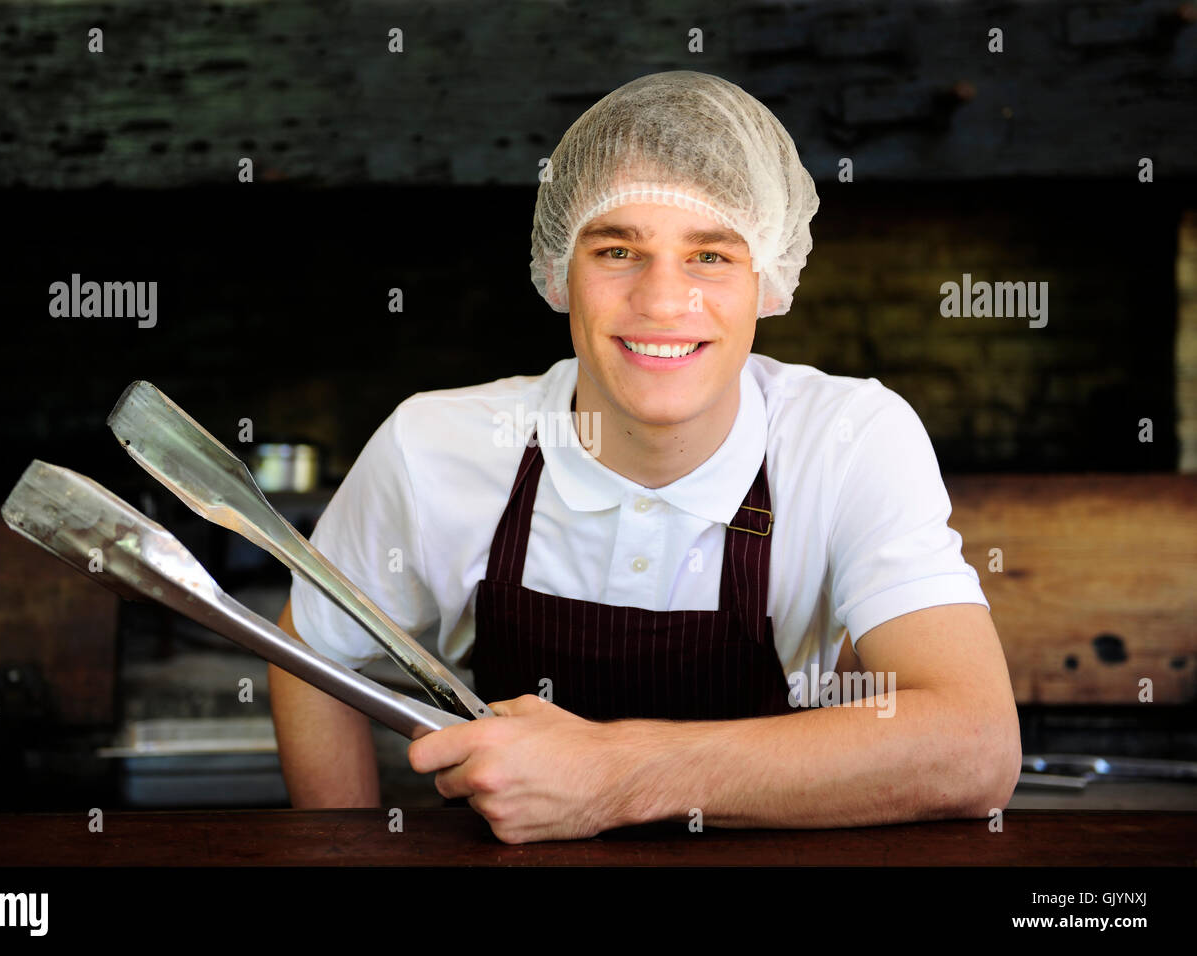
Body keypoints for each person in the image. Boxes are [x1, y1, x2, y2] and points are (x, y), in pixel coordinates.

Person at [268, 70, 1021, 844]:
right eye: (619, 249)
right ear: (560, 272)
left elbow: (975, 746)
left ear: (770, 279)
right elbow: (311, 656)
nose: (664, 302)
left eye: (711, 256)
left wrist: (613, 774)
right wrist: (347, 853)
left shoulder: (849, 438)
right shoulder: (435, 446)